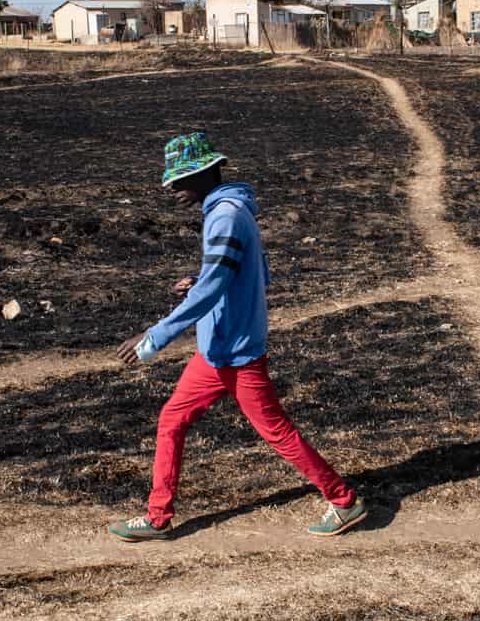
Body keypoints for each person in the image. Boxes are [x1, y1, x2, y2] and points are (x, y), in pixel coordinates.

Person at [110, 132, 369, 542]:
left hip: (237, 354)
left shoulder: (226, 216)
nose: (173, 188)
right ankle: (158, 517)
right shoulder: (230, 210)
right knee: (172, 419)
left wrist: (154, 336)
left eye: (182, 178)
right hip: (216, 352)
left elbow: (217, 287)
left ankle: (343, 500)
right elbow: (244, 274)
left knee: (277, 433)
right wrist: (199, 282)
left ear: (207, 171)